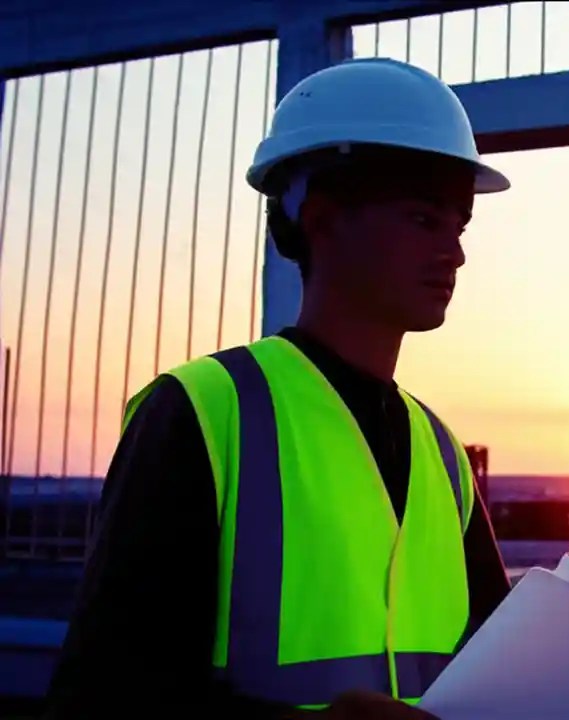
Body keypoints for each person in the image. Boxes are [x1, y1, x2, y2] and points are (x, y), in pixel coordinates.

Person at [44, 58, 513, 719]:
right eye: (421, 218)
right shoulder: (204, 412)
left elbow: (496, 664)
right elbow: (102, 694)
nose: (454, 252)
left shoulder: (441, 453)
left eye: (459, 224)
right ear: (321, 219)